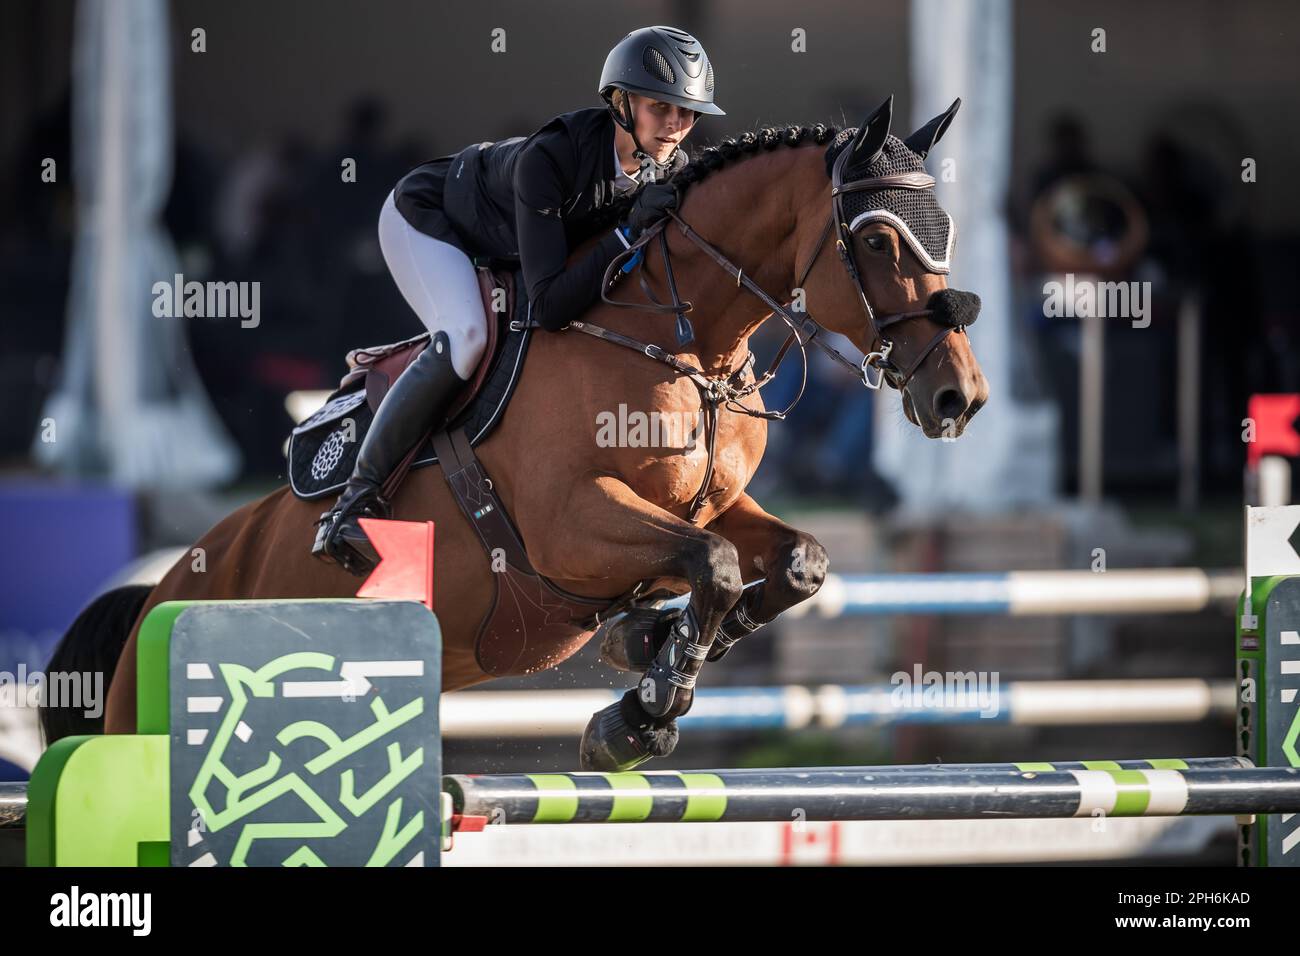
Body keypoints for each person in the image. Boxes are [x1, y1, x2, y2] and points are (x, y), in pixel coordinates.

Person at [312, 26, 725, 574]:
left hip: (509, 243)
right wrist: (626, 237)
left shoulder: (667, 165)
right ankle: (354, 502)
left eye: (688, 113)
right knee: (467, 337)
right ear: (621, 102)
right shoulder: (553, 158)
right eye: (661, 107)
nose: (676, 126)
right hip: (431, 220)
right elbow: (552, 304)